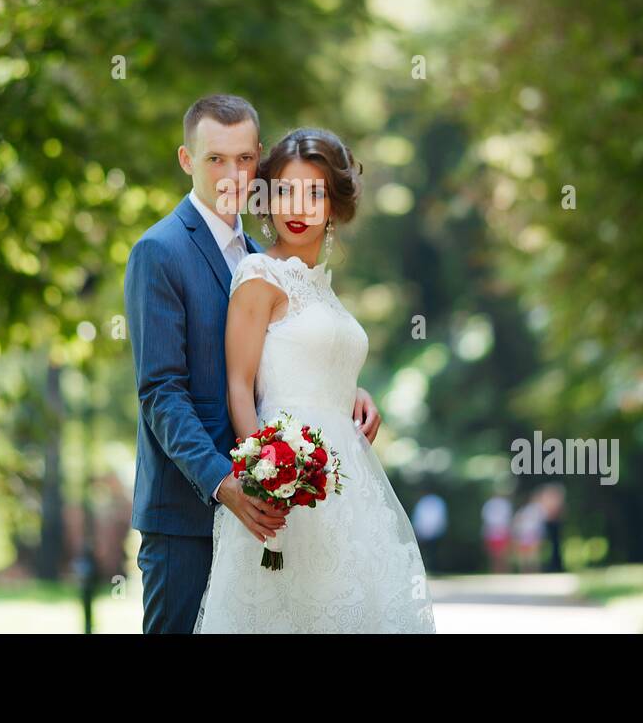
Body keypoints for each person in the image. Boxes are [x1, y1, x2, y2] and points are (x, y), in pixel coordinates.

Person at [125, 97, 383, 634]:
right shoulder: (160, 251)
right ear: (185, 159)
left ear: (258, 159)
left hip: (274, 514)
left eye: (243, 159)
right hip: (189, 516)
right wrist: (227, 483)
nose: (231, 175)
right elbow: (161, 395)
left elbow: (283, 353)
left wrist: (341, 394)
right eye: (214, 159)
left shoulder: (263, 255)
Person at [193, 127, 436, 633]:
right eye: (284, 190)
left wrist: (355, 394)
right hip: (289, 484)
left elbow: (315, 360)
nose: (296, 206)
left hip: (350, 486)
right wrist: (262, 476)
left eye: (314, 192)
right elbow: (240, 384)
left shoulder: (321, 286)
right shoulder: (260, 274)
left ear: (333, 204)